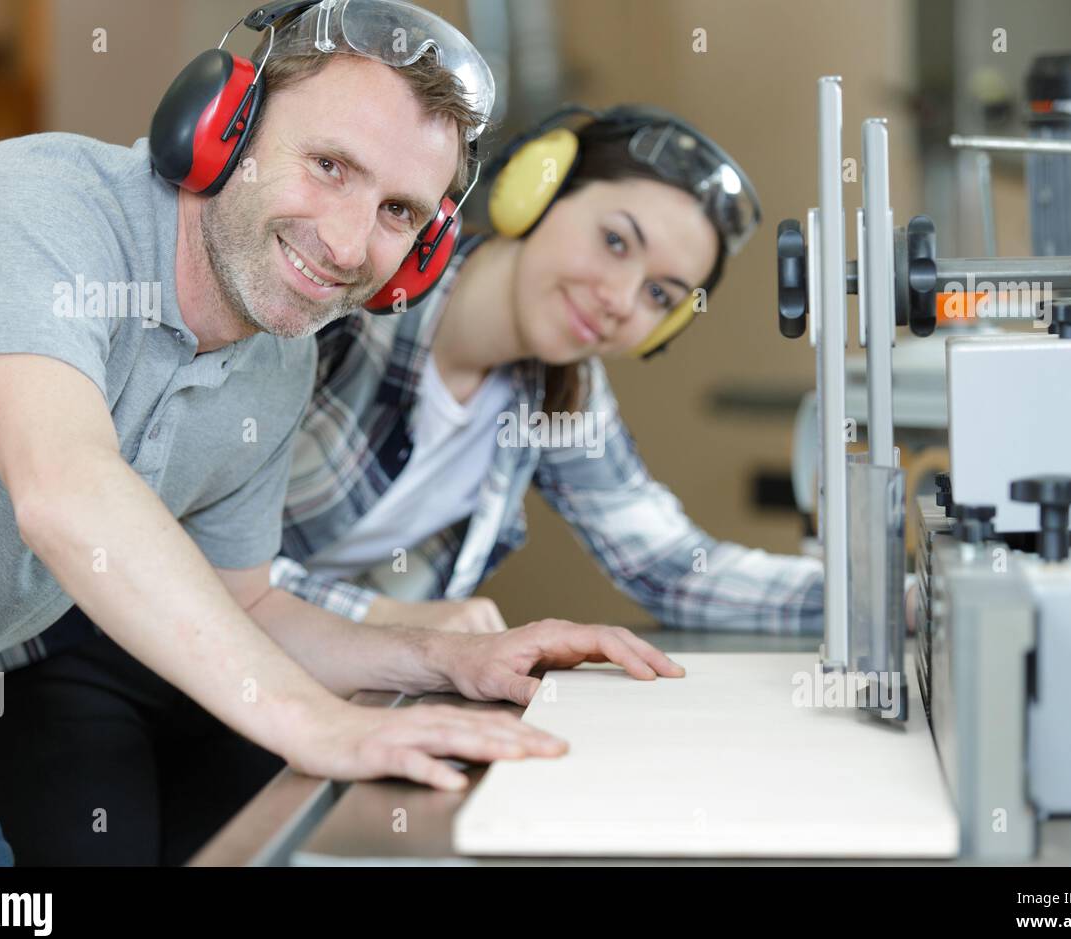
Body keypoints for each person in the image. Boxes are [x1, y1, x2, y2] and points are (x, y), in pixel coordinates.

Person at [0, 0, 681, 867]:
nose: (349, 245)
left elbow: (251, 605)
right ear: (222, 126)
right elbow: (64, 490)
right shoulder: (34, 206)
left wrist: (447, 657)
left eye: (398, 213)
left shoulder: (278, 364)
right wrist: (318, 725)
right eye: (329, 165)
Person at [273, 105, 825, 635]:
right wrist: (384, 623)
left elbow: (671, 567)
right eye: (614, 242)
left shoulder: (562, 390)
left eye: (659, 294)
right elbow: (200, 551)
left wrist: (880, 600)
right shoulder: (349, 296)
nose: (620, 298)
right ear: (533, 195)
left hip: (319, 695)